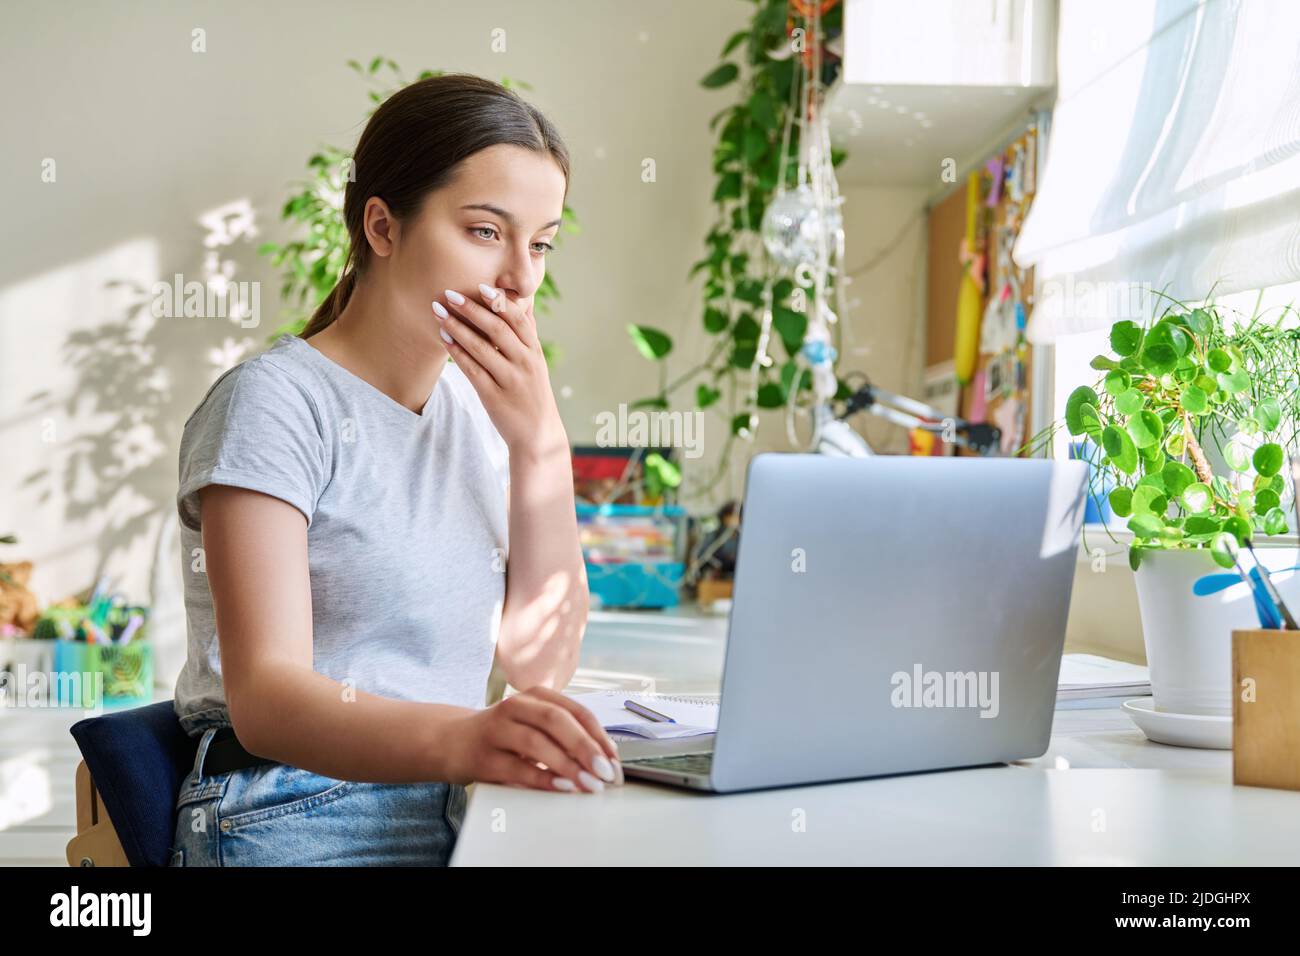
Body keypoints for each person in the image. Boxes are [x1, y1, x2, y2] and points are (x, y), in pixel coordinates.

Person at [169, 73, 621, 867]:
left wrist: (543, 447)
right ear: (382, 225)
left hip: (458, 800)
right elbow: (268, 700)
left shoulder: (484, 416)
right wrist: (468, 739)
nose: (521, 277)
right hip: (290, 805)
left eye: (541, 242)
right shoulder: (274, 404)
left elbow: (540, 664)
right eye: (486, 231)